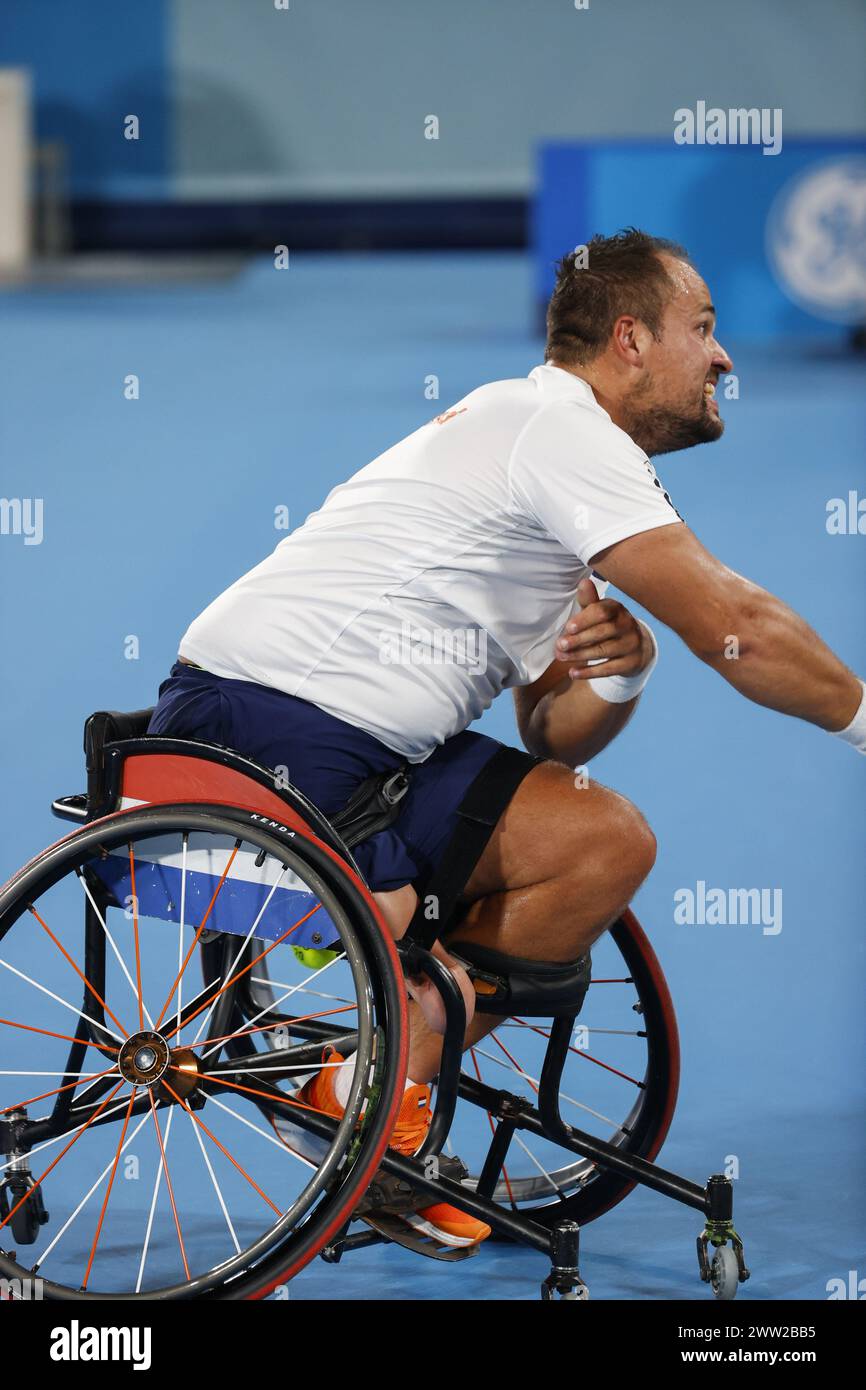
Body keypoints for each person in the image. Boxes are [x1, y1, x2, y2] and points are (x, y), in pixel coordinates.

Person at [148, 229, 865, 1248]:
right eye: (700, 329)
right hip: (281, 731)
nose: (724, 358)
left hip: (317, 732)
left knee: (595, 838)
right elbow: (739, 628)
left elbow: (550, 735)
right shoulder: (561, 434)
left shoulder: (535, 436)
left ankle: (358, 1083)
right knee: (583, 847)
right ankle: (367, 1091)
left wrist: (620, 668)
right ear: (629, 339)